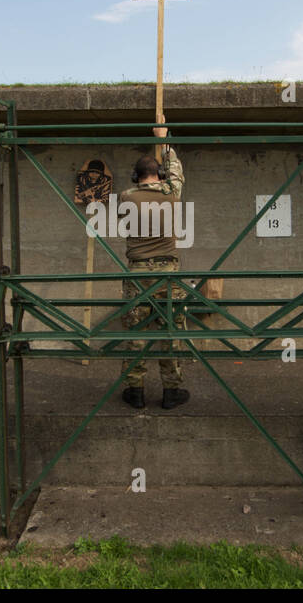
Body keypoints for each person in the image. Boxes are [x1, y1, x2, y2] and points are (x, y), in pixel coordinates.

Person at [119, 118, 190, 410]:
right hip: (168, 274)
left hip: (138, 275)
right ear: (159, 175)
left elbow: (125, 222)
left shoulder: (126, 197)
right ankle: (171, 392)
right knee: (171, 331)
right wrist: (164, 140)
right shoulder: (171, 193)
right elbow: (176, 172)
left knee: (136, 333)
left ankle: (135, 390)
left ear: (136, 178)